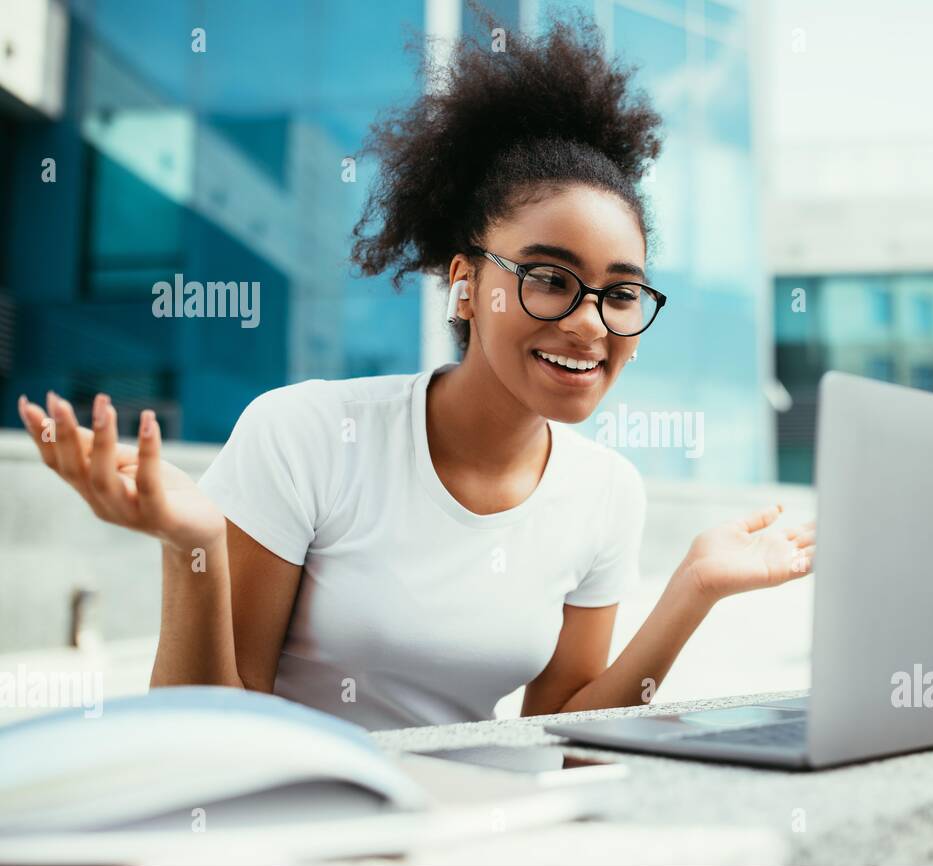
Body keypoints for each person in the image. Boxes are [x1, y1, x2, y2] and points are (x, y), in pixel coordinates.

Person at [16, 15, 815, 731]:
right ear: (466, 283)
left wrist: (693, 589)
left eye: (622, 293)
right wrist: (192, 547)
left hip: (466, 823)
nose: (589, 323)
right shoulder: (306, 435)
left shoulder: (608, 493)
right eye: (548, 278)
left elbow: (558, 741)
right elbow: (209, 734)